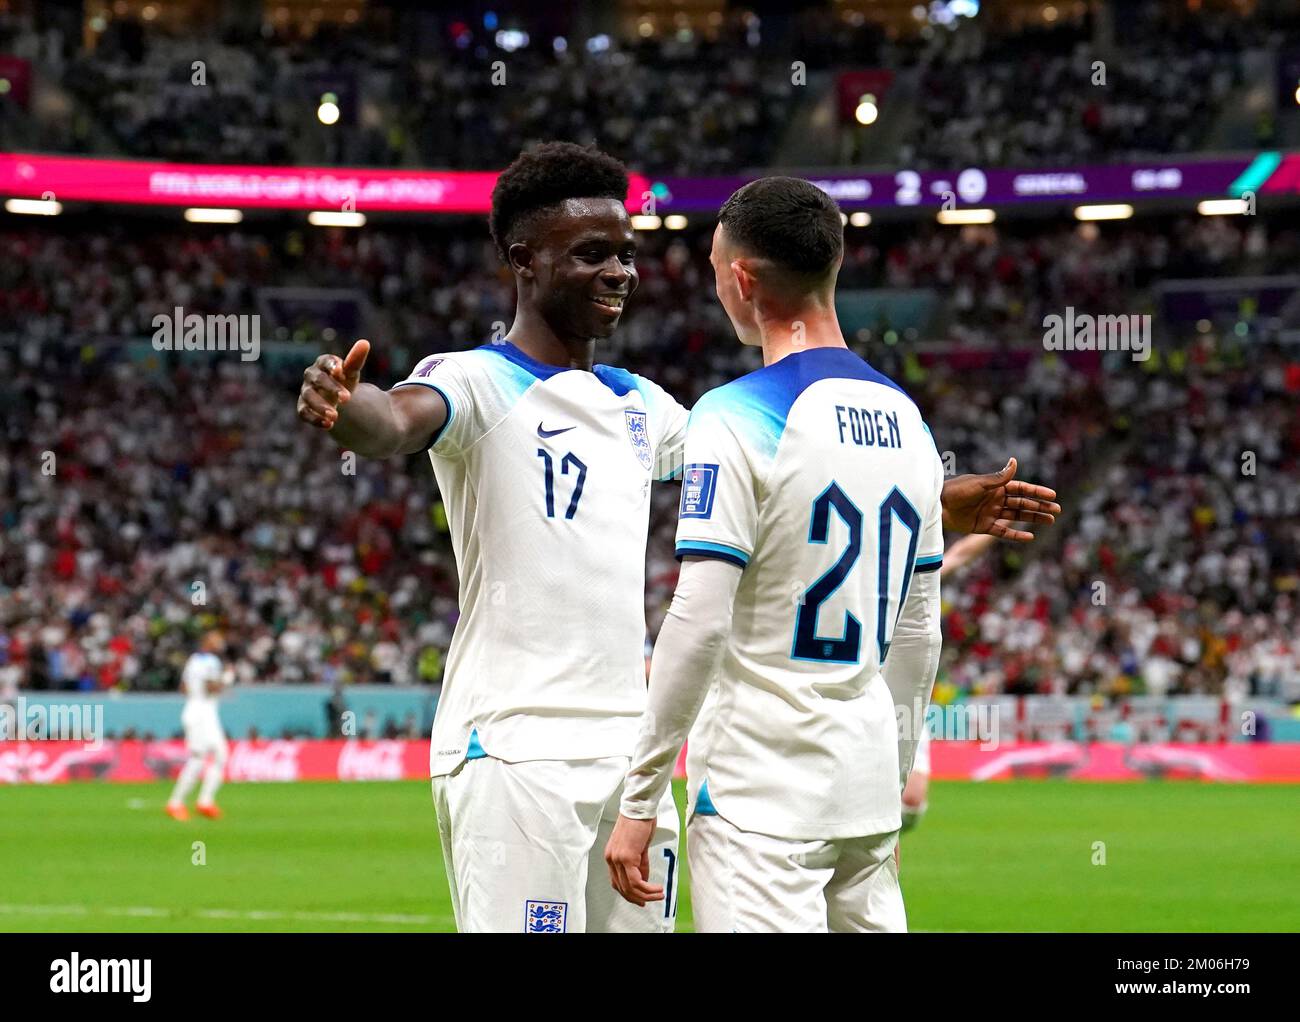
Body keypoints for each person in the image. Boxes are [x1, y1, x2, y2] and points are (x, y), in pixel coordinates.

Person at [297, 145, 1059, 933]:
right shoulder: (473, 380)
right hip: (516, 750)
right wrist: (345, 407)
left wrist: (932, 497)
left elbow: (785, 477)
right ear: (524, 263)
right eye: (591, 254)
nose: (620, 271)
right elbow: (393, 421)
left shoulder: (645, 406)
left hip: (631, 761)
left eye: (627, 253)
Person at [606, 177, 945, 931]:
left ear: (743, 280)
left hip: (759, 800)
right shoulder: (911, 422)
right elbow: (919, 637)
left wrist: (638, 800)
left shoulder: (733, 414)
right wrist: (891, 778)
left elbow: (698, 619)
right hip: (862, 794)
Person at [165, 630, 232, 821]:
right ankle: (175, 803)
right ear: (207, 641)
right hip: (203, 713)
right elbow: (211, 688)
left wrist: (196, 695)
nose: (220, 641)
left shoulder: (193, 660)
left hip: (197, 710)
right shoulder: (211, 661)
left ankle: (205, 801)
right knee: (199, 758)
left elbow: (183, 688)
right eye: (216, 638)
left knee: (220, 754)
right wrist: (227, 679)